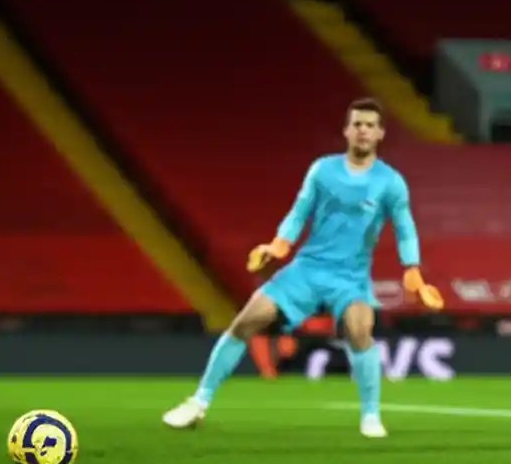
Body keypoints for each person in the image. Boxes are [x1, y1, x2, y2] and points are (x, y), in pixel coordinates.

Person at [161, 98, 444, 438]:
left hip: (350, 278)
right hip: (307, 269)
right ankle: (198, 402)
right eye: (357, 124)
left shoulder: (391, 182)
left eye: (370, 125)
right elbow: (299, 212)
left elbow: (405, 227)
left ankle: (371, 416)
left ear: (380, 133)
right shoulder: (323, 170)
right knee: (246, 321)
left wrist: (411, 267)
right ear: (346, 131)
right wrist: (279, 245)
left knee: (359, 330)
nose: (363, 130)